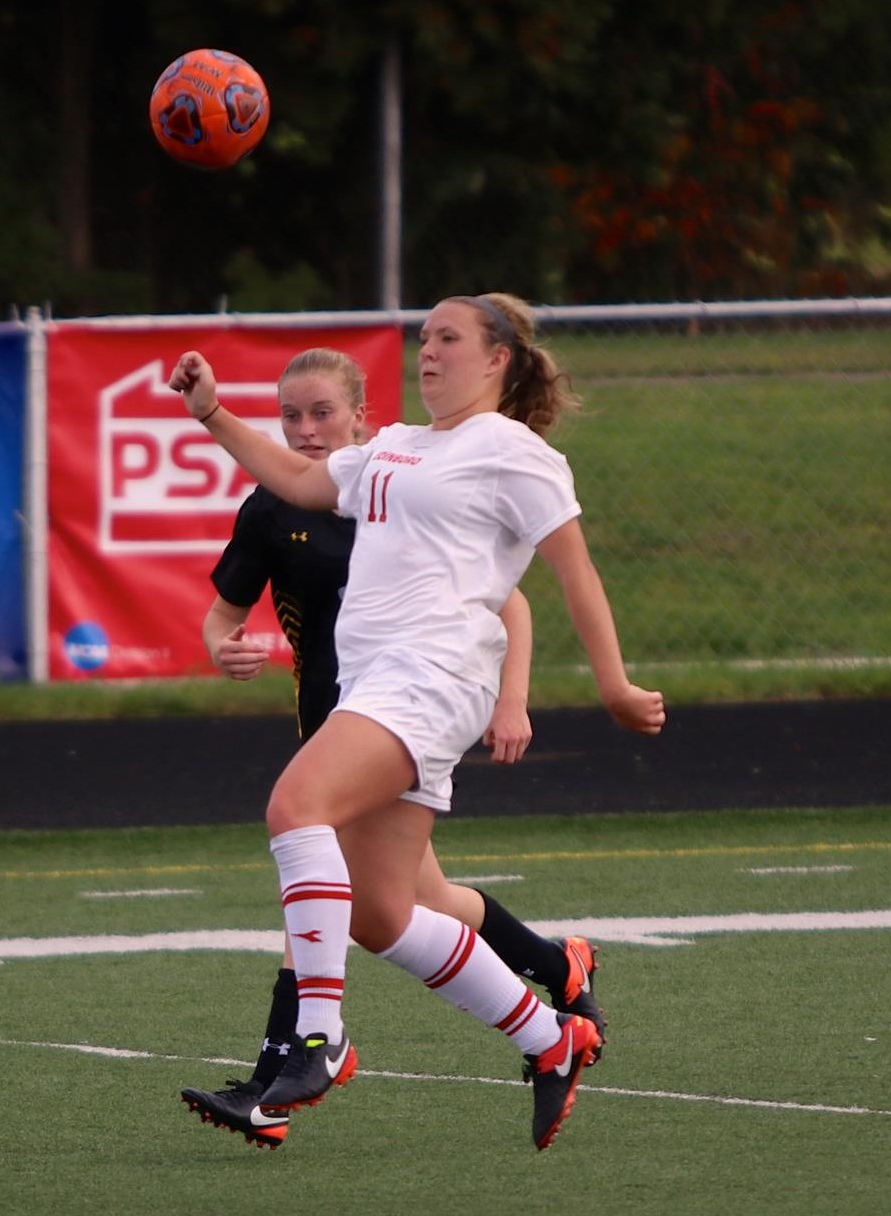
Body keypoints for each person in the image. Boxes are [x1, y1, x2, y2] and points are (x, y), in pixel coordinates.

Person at [168, 294, 665, 1151]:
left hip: (432, 678)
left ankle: (319, 1038)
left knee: (295, 807)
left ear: (498, 358)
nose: (428, 350)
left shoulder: (512, 451)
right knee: (381, 914)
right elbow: (297, 480)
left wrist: (613, 683)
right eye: (424, 337)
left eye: (448, 338)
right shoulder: (394, 444)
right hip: (379, 685)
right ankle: (550, 1039)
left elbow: (574, 571)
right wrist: (212, 412)